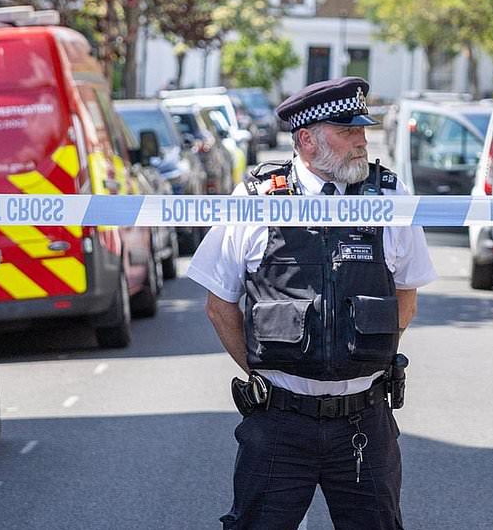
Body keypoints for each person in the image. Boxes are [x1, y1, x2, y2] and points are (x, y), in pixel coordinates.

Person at [187, 78, 437, 530]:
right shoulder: (258, 200)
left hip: (363, 421)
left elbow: (407, 298)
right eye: (347, 131)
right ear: (306, 139)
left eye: (362, 129)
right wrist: (262, 375)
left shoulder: (388, 199)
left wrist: (360, 356)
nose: (361, 140)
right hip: (280, 422)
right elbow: (218, 303)